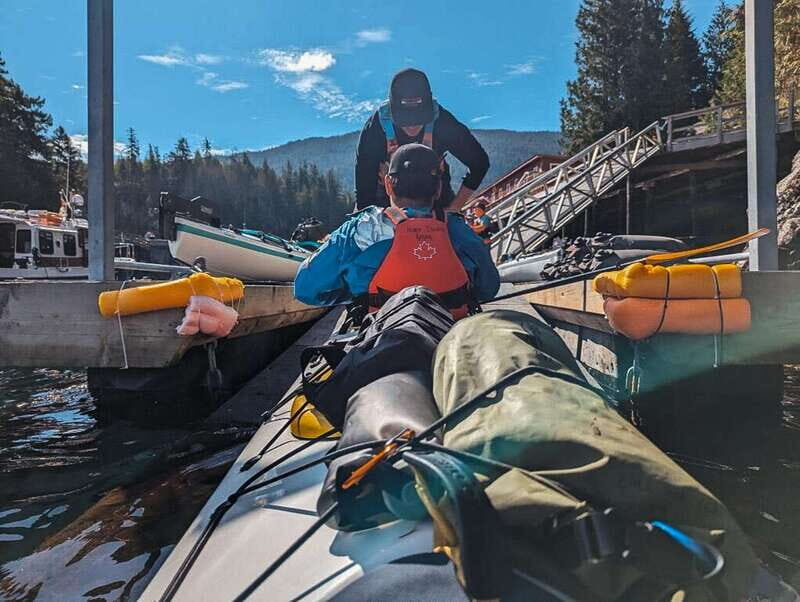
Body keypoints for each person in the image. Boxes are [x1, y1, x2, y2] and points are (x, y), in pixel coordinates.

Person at [295, 144, 500, 318]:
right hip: (450, 340)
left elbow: (305, 289)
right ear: (438, 189)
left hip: (381, 338)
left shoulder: (359, 230)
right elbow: (489, 288)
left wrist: (355, 295)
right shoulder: (459, 229)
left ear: (388, 186)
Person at [355, 68, 489, 212]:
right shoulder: (375, 129)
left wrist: (453, 209)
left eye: (419, 118)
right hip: (386, 204)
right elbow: (364, 192)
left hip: (436, 200)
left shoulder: (443, 122)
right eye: (405, 121)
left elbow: (479, 163)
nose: (412, 126)